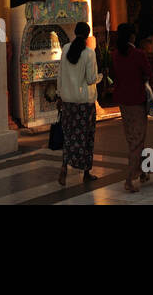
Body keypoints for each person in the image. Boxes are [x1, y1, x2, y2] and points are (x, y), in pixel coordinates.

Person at [57, 21, 100, 186]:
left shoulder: (66, 49)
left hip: (68, 102)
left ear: (74, 33)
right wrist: (101, 76)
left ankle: (64, 167)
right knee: (86, 137)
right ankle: (86, 172)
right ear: (88, 35)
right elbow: (90, 79)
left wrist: (60, 95)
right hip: (84, 103)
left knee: (69, 136)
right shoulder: (89, 53)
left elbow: (60, 74)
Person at [111, 23, 152, 192]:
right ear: (132, 37)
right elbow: (149, 73)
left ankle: (143, 172)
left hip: (123, 101)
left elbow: (114, 76)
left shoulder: (114, 55)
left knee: (132, 137)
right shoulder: (138, 54)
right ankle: (129, 179)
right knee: (137, 139)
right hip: (136, 100)